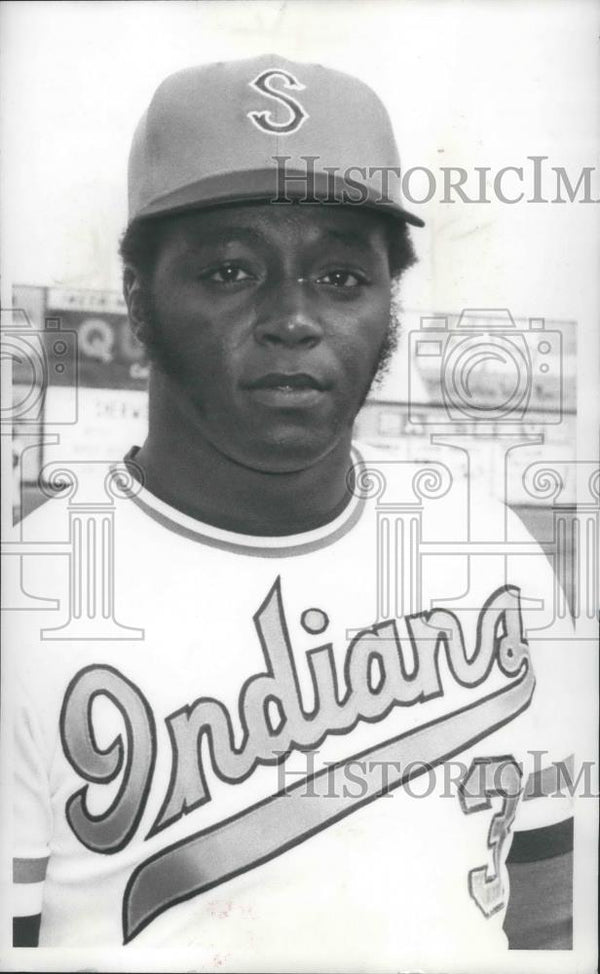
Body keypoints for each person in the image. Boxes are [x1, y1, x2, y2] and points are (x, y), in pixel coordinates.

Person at [6, 54, 587, 969]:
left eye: (341, 279)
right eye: (232, 271)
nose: (293, 319)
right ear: (138, 295)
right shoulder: (32, 597)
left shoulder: (484, 547)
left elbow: (547, 916)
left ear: (390, 301)